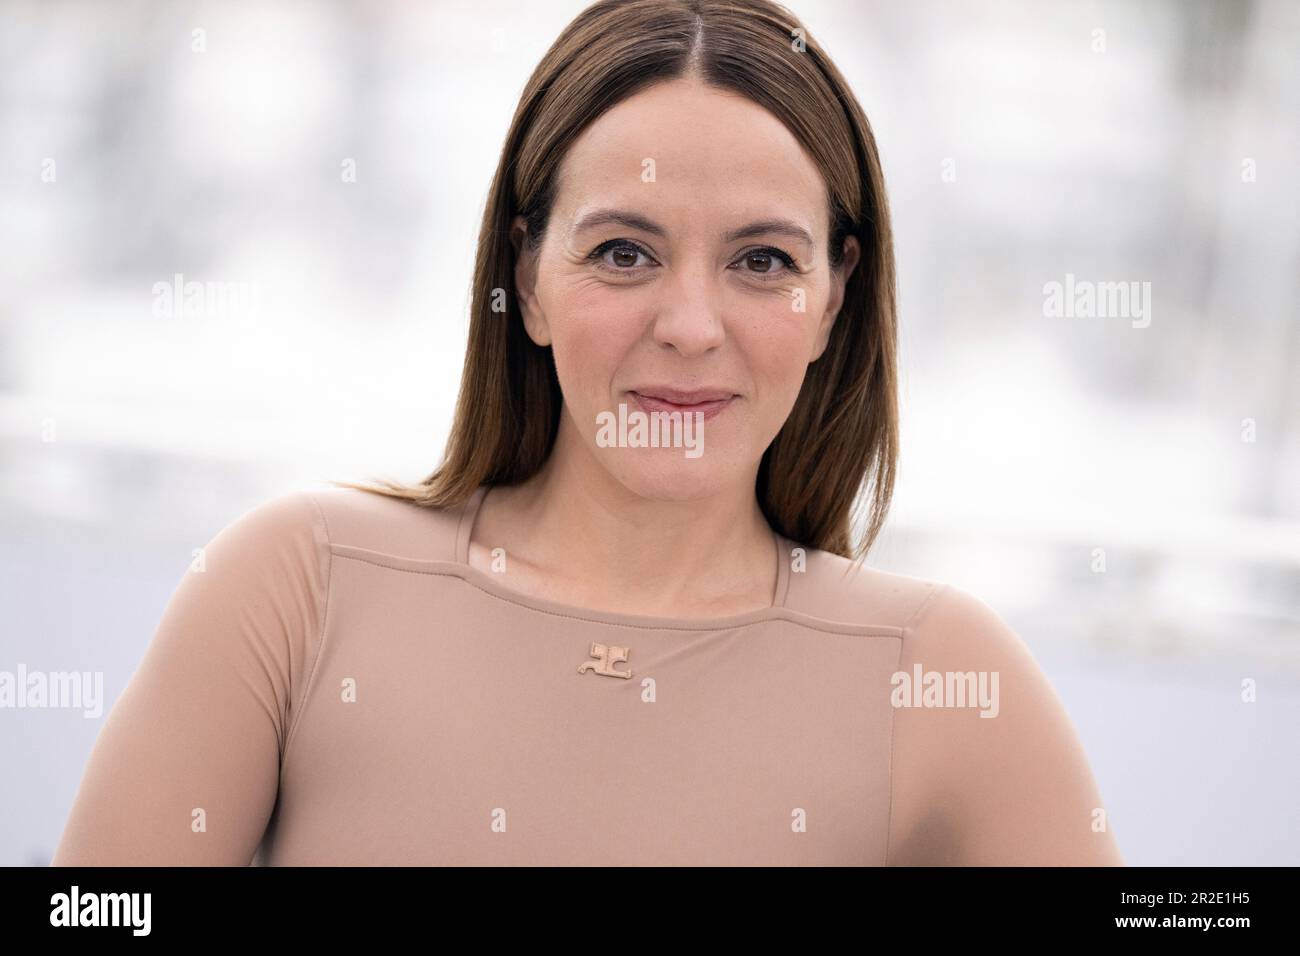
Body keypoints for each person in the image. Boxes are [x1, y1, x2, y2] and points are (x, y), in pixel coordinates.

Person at [52, 0, 1124, 865]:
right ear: (526, 273)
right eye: (623, 252)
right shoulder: (294, 584)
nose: (690, 326)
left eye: (762, 261)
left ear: (834, 296)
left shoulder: (937, 674)